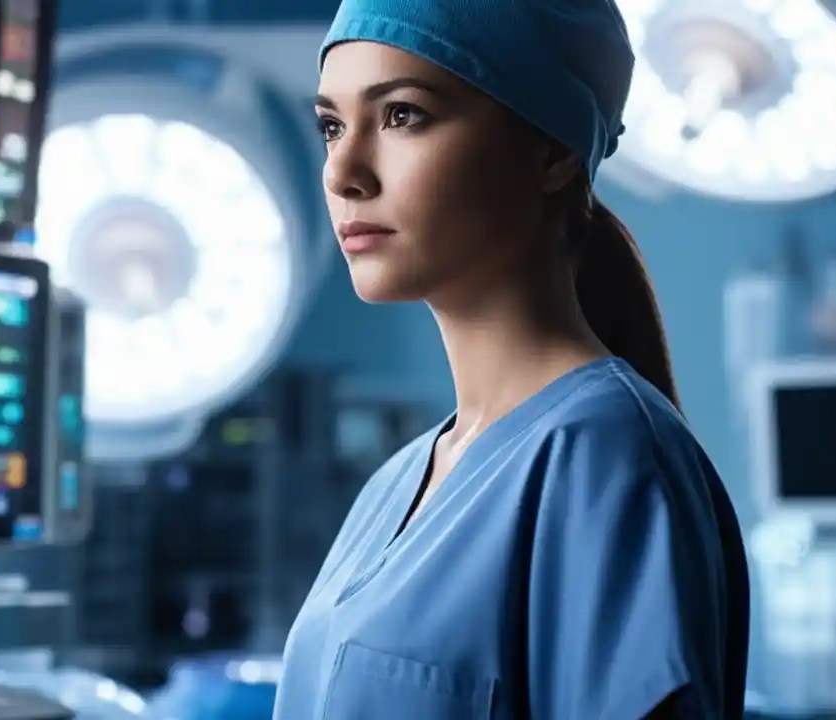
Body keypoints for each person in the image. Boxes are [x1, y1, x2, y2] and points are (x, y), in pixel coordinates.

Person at [272, 0, 751, 718]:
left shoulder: (604, 461)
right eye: (332, 126)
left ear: (552, 149)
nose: (343, 172)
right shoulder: (396, 484)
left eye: (403, 114)